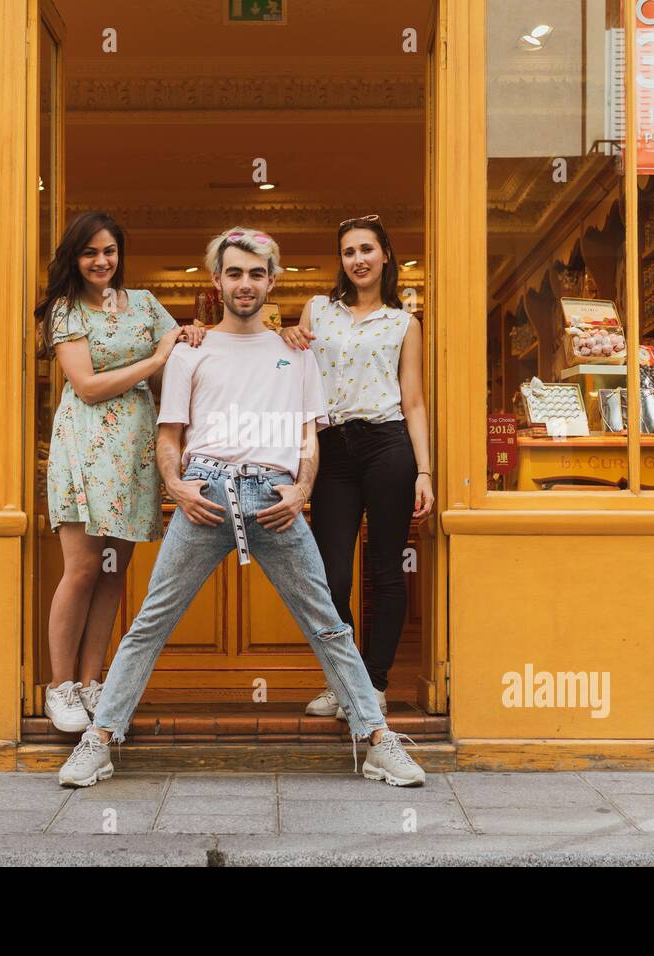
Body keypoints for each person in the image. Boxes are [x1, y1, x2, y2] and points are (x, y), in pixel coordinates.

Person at [58, 226, 426, 788]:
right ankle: (101, 739)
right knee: (150, 623)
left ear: (273, 280)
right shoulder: (189, 352)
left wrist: (302, 491)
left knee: (326, 622)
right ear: (217, 280)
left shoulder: (297, 352)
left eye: (257, 273)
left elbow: (309, 438)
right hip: (203, 494)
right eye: (235, 273)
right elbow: (169, 435)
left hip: (274, 498)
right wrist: (177, 487)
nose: (246, 283)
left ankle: (376, 739)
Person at [39, 210, 203, 734]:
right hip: (85, 446)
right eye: (90, 252)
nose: (101, 261)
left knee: (112, 574)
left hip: (135, 449)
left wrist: (193, 334)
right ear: (75, 257)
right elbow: (86, 385)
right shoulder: (64, 311)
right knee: (82, 570)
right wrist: (156, 359)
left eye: (109, 251)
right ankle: (59, 686)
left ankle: (93, 683)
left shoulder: (147, 304)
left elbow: (183, 346)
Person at [280, 216, 435, 720]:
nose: (359, 259)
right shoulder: (318, 310)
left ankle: (376, 684)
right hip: (332, 449)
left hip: (387, 444)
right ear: (341, 261)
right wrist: (285, 339)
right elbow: (296, 373)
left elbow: (413, 401)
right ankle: (342, 680)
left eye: (367, 249)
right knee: (329, 575)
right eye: (348, 252)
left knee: (386, 570)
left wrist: (424, 472)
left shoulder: (403, 323)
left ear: (385, 255)